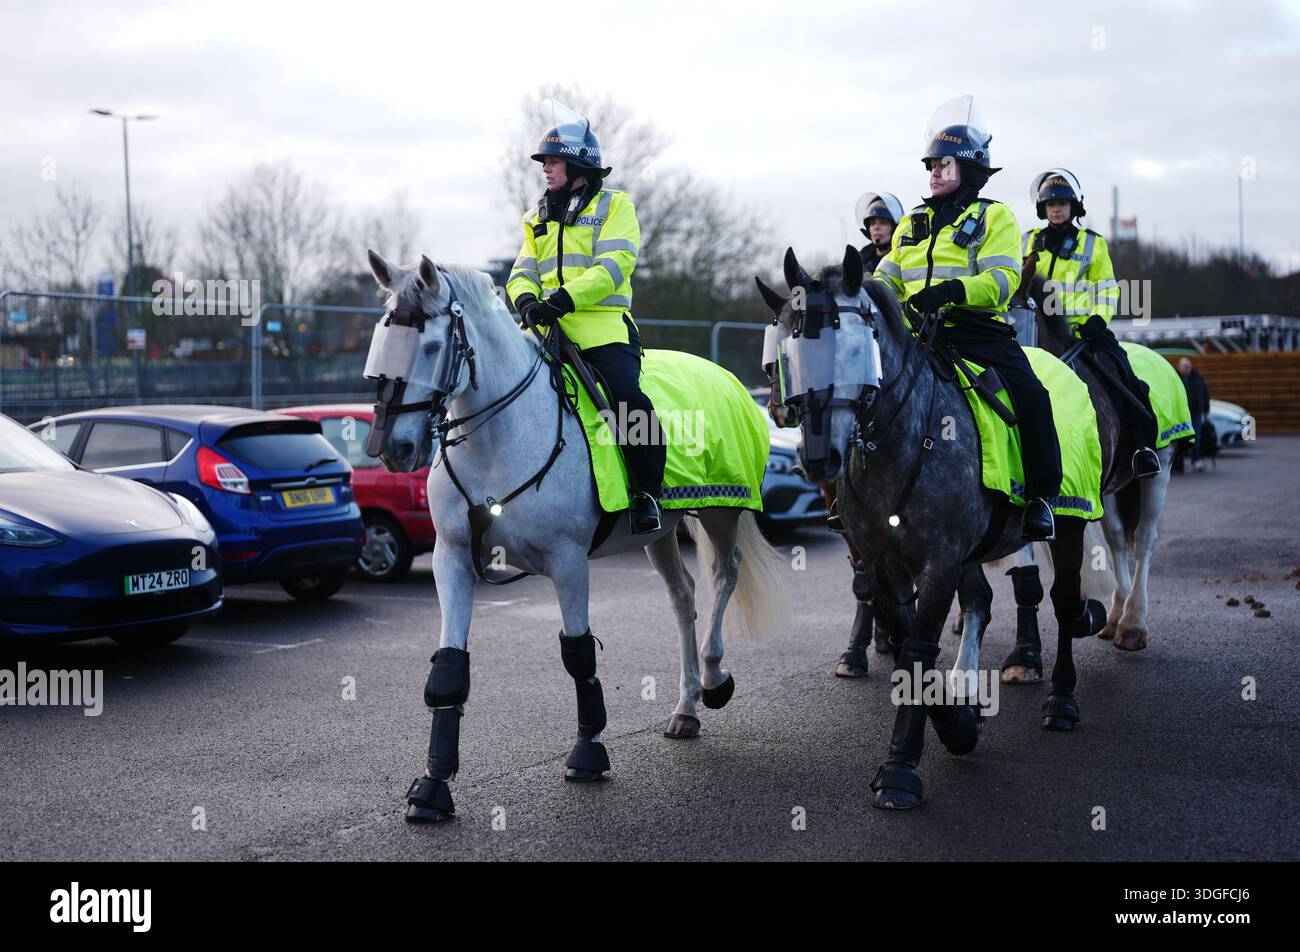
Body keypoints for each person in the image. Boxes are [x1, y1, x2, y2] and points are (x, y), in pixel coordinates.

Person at [875, 96, 1060, 541]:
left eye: (944, 164)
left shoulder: (994, 216)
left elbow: (1003, 279)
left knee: (1033, 396)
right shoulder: (912, 223)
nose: (934, 172)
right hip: (919, 337)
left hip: (977, 333)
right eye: (931, 166)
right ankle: (854, 496)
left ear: (969, 169)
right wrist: (872, 301)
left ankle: (1041, 499)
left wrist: (955, 291)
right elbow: (886, 281)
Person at [506, 103, 665, 534]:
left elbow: (615, 264)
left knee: (628, 401)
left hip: (602, 329)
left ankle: (647, 493)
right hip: (542, 332)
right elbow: (521, 270)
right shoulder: (535, 217)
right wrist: (524, 302)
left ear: (577, 165)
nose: (545, 169)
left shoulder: (616, 206)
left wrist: (563, 299)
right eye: (544, 162)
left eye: (553, 161)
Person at [1022, 168, 1161, 478]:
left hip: (1087, 334)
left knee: (1127, 379)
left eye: (1062, 203)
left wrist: (1098, 320)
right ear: (1042, 209)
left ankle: (1143, 449)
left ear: (1074, 208)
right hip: (1037, 333)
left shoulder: (1093, 244)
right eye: (1050, 204)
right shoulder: (1028, 241)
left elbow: (1108, 288)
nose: (1056, 209)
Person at [855, 191, 904, 273]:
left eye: (883, 223)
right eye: (872, 223)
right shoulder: (860, 259)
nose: (876, 227)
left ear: (895, 228)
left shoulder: (903, 256)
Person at [1178, 356, 1211, 471]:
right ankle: (1178, 464)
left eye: (1188, 366)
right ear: (1179, 367)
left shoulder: (1198, 377)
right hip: (1181, 415)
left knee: (1197, 438)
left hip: (1196, 413)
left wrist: (1206, 409)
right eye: (1184, 366)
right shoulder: (1176, 378)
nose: (1187, 368)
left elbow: (1205, 393)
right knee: (1180, 439)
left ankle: (1196, 460)